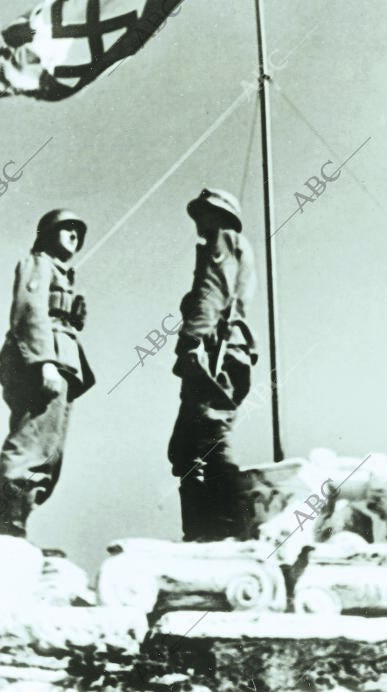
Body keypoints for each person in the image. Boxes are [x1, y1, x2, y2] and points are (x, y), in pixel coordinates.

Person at [0, 209, 96, 538]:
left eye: (77, 231)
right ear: (49, 234)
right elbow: (29, 312)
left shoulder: (63, 273)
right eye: (66, 229)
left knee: (49, 450)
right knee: (31, 440)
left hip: (61, 364)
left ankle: (18, 526)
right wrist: (43, 362)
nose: (74, 235)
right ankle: (8, 527)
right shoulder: (38, 263)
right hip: (43, 364)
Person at [167, 188, 258, 542]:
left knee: (209, 435)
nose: (198, 221)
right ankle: (208, 530)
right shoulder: (234, 244)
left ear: (218, 215)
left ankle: (224, 528)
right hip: (226, 347)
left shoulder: (221, 241)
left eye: (204, 213)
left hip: (214, 348)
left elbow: (211, 293)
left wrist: (191, 340)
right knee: (189, 444)